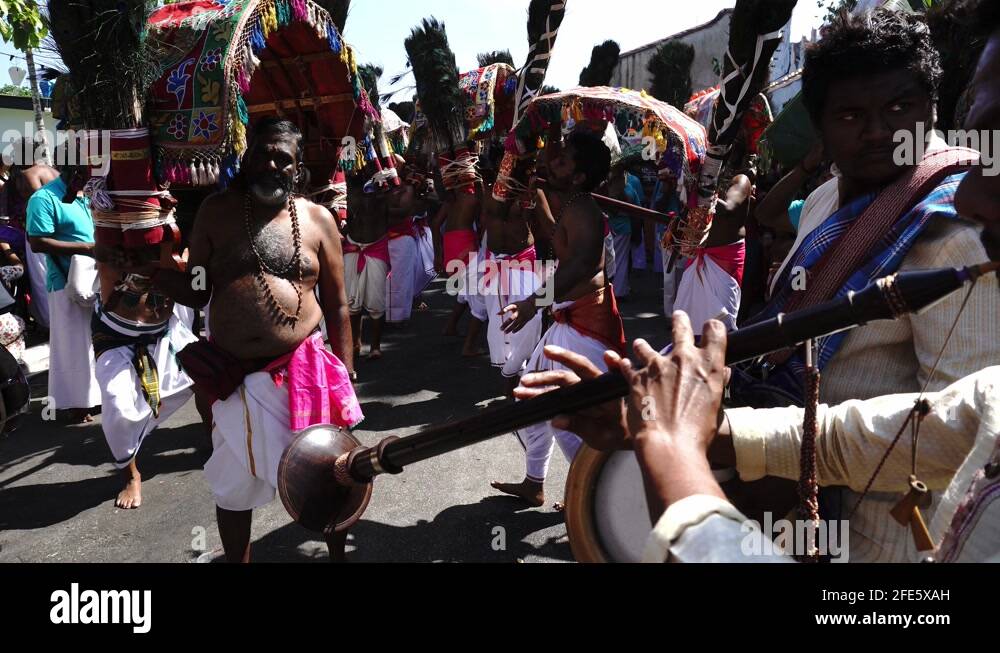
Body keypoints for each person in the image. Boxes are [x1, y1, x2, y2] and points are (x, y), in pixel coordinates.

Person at [516, 0, 1000, 563]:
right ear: (819, 127)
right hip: (790, 495)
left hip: (877, 543)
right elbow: (856, 432)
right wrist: (682, 429)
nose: (879, 132)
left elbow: (958, 451)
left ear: (934, 106)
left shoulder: (963, 230)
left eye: (901, 106)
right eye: (849, 116)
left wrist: (687, 450)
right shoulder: (823, 199)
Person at [149, 118, 361, 562]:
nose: (270, 163)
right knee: (232, 485)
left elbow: (338, 305)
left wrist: (346, 373)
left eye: (282, 158)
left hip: (305, 373)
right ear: (245, 160)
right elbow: (199, 287)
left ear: (297, 169)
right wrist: (158, 275)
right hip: (235, 377)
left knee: (328, 473)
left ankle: (338, 557)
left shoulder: (319, 220)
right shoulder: (217, 212)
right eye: (261, 153)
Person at [490, 127, 624, 507]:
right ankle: (535, 482)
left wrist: (532, 303)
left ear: (579, 176)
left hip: (586, 325)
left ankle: (597, 499)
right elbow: (555, 235)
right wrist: (536, 202)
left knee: (568, 414)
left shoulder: (585, 210)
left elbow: (579, 265)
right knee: (532, 399)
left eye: (563, 157)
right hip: (569, 319)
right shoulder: (574, 203)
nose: (553, 158)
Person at [25, 155, 101, 423]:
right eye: (81, 172)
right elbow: (37, 242)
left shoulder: (84, 194)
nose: (86, 177)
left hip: (92, 277)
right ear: (66, 169)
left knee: (92, 341)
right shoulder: (43, 199)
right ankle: (76, 404)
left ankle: (93, 397)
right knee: (72, 344)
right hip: (64, 280)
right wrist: (87, 248)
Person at [673, 166, 752, 336]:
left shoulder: (741, 180)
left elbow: (730, 207)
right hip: (696, 262)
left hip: (724, 267)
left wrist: (699, 191)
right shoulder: (702, 178)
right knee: (685, 331)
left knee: (720, 333)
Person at [343, 165, 392, 361]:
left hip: (376, 248)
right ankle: (355, 342)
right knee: (351, 301)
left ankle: (375, 346)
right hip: (352, 248)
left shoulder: (384, 191)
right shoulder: (349, 192)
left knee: (376, 301)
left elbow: (403, 208)